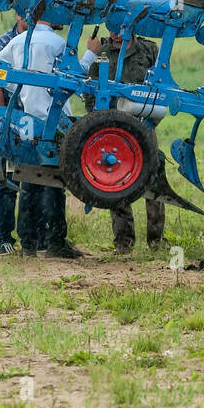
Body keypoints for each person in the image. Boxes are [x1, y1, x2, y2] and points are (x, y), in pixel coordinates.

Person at [1, 3, 85, 259]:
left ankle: (29, 242)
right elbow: (78, 80)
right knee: (55, 181)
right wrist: (91, 54)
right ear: (52, 15)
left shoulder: (17, 41)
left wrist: (20, 90)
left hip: (27, 119)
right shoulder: (58, 44)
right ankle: (55, 243)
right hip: (55, 121)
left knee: (29, 180)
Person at [83, 27, 165, 254]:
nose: (117, 35)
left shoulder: (149, 49)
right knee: (116, 181)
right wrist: (97, 122)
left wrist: (150, 124)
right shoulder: (101, 51)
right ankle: (123, 243)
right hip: (113, 131)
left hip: (143, 127)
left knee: (153, 179)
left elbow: (160, 87)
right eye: (113, 29)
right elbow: (89, 89)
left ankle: (157, 240)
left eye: (123, 29)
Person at [0, 11, 28, 254]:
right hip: (11, 122)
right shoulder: (3, 44)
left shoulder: (44, 42)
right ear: (17, 13)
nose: (29, 16)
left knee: (37, 180)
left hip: (37, 122)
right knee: (9, 181)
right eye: (25, 12)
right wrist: (3, 122)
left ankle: (34, 238)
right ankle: (5, 239)